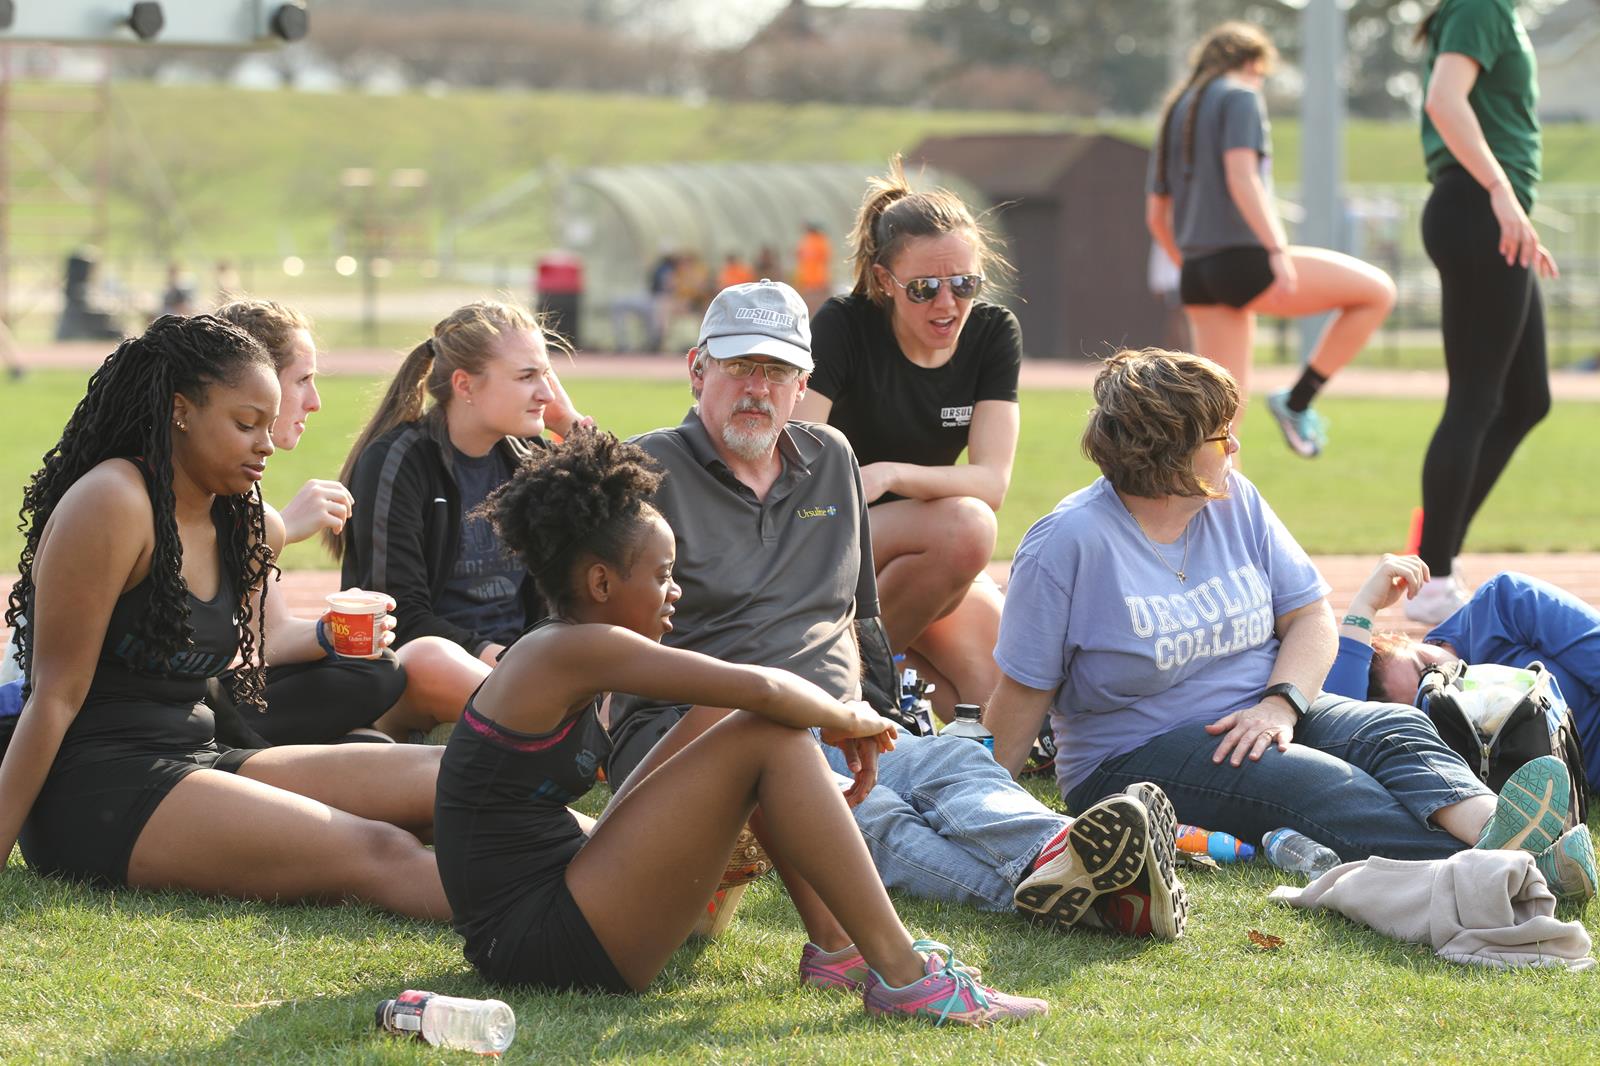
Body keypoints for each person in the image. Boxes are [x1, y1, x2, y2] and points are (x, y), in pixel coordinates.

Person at [608, 280, 1187, 940]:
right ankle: (1093, 895)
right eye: (740, 366)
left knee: (952, 764)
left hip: (841, 716)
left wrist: (878, 717)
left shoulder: (831, 459)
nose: (756, 388)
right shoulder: (642, 472)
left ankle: (1067, 849)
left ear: (804, 382)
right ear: (697, 369)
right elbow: (607, 649)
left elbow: (862, 615)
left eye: (777, 371)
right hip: (718, 730)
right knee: (869, 810)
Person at [432, 430, 1047, 1024]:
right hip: (541, 943)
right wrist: (850, 716)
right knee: (764, 726)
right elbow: (760, 685)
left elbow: (737, 695)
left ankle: (839, 947)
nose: (676, 592)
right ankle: (908, 978)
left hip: (554, 904)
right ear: (600, 582)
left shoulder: (566, 644)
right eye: (662, 574)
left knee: (734, 719)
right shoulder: (567, 651)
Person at [983, 348, 1592, 898]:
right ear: (1167, 454)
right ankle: (1515, 872)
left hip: (1267, 710)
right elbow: (1023, 691)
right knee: (1325, 786)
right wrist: (985, 805)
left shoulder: (1234, 501)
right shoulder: (1067, 545)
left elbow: (1308, 617)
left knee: (1393, 729)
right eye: (1222, 437)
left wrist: (1282, 702)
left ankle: (1503, 834)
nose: (1236, 447)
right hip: (1130, 755)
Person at [0, 315, 446, 919]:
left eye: (268, 423)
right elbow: (52, 696)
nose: (265, 443)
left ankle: (611, 869)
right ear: (180, 411)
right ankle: (574, 926)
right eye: (245, 424)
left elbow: (274, 582)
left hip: (203, 755)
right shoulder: (112, 501)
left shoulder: (240, 514)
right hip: (100, 787)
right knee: (381, 848)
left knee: (450, 774)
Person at [797, 159, 1017, 721]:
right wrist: (857, 488)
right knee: (968, 529)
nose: (947, 304)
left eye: (964, 284)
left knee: (998, 698)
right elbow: (796, 460)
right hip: (828, 535)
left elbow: (992, 480)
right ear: (882, 281)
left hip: (921, 558)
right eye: (923, 288)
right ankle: (841, 685)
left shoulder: (992, 332)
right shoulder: (844, 326)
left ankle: (885, 675)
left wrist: (890, 475)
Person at [213, 299, 483, 744]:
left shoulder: (247, 485)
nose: (315, 402)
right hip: (184, 703)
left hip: (229, 693)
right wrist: (283, 527)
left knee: (376, 671)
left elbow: (271, 637)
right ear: (253, 381)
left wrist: (332, 631)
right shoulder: (194, 474)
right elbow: (192, 600)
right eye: (303, 380)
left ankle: (336, 742)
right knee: (374, 681)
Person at [1146, 22, 1395, 458]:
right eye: (1261, 74)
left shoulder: (1177, 110)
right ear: (1249, 64)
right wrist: (1277, 250)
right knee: (1377, 292)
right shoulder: (1240, 95)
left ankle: (1210, 520)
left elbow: (1156, 216)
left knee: (1221, 423)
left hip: (1199, 272)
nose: (1260, 81)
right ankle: (1297, 401)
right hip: (1244, 262)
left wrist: (1187, 264)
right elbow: (1243, 178)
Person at [332, 301, 589, 693]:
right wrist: (506, 663)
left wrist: (570, 425)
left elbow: (627, 533)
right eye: (526, 377)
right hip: (430, 675)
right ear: (465, 385)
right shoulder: (400, 462)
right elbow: (399, 618)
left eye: (547, 374)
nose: (546, 393)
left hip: (521, 664)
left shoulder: (530, 457)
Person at [1406, 0, 1558, 624]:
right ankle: (1434, 574)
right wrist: (1499, 192)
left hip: (1489, 212)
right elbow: (1445, 101)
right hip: (1476, 205)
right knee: (1474, 397)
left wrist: (1511, 206)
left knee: (1526, 399)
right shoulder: (1480, 4)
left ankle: (1432, 552)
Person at [1325, 554, 1600, 793]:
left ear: (1404, 639)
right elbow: (1338, 739)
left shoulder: (1501, 604)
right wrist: (1364, 606)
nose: (1442, 682)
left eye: (1426, 667)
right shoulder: (1443, 751)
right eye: (1426, 702)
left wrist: (1362, 612)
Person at [793, 223, 834, 314]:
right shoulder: (821, 241)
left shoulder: (809, 241)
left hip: (813, 277)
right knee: (815, 300)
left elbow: (798, 254)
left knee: (811, 299)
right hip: (816, 277)